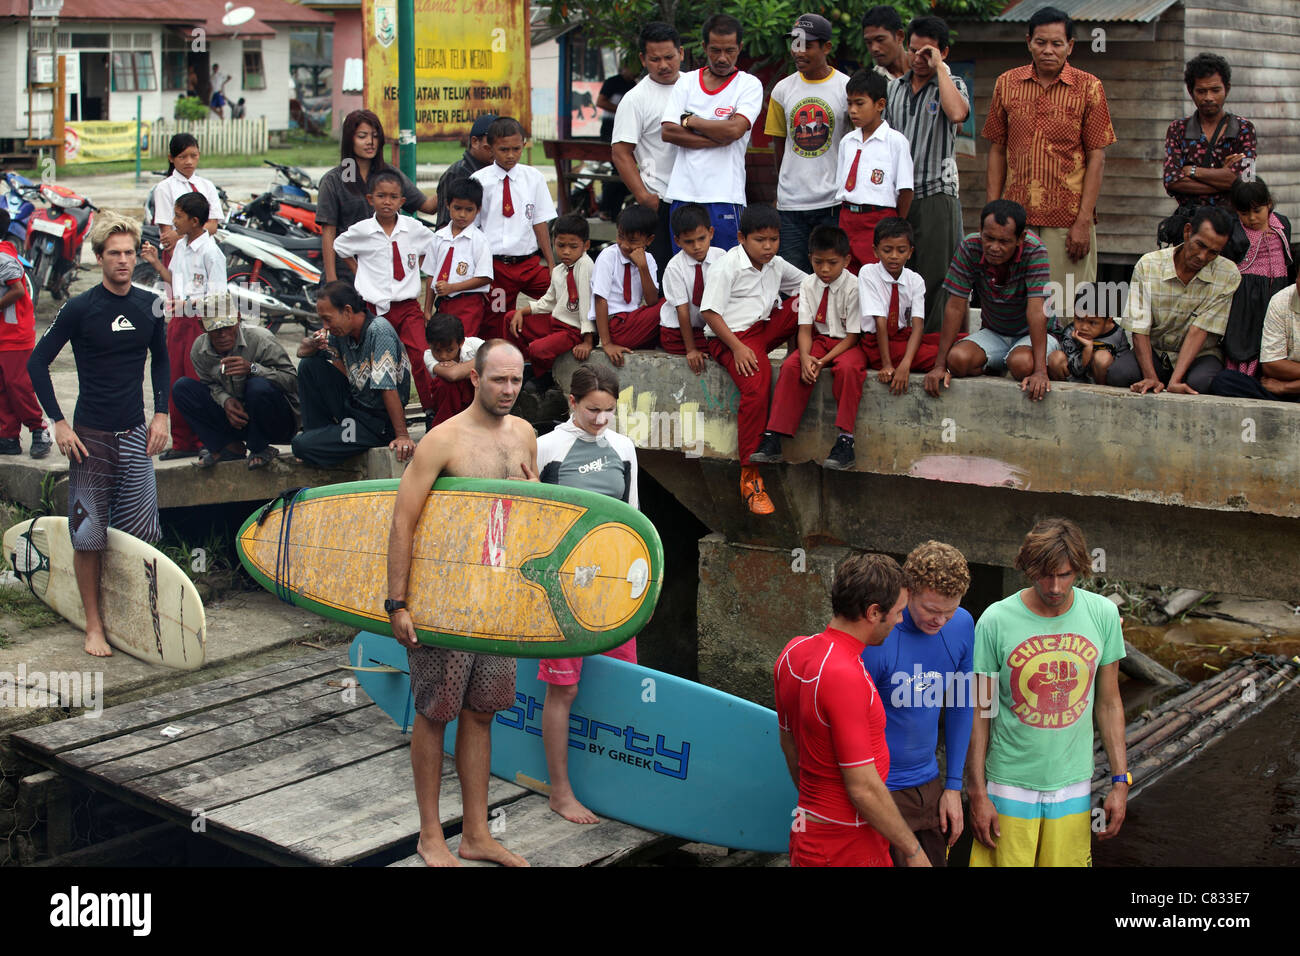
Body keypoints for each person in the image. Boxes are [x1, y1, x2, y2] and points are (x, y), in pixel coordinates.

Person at [386, 339, 536, 867]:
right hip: (444, 596)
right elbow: (403, 520)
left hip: (495, 597)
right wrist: (397, 603)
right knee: (434, 713)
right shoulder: (442, 441)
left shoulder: (525, 435)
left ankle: (476, 833)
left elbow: (525, 515)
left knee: (481, 713)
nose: (509, 390)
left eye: (516, 380)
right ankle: (431, 836)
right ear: (475, 377)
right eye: (499, 380)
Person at [26, 213, 168, 658]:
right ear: (99, 258)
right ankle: (93, 624)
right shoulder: (80, 308)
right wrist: (58, 423)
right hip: (90, 438)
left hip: (136, 436)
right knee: (88, 536)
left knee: (142, 536)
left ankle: (134, 615)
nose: (123, 261)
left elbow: (161, 361)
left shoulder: (150, 305)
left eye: (129, 253)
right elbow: (36, 362)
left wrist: (161, 414)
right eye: (114, 254)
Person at [968, 518, 1129, 867]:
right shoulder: (995, 620)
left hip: (1072, 784)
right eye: (1044, 574)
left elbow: (1109, 702)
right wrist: (977, 793)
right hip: (1008, 783)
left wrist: (1120, 782)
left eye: (1065, 575)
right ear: (1028, 569)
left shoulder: (1102, 614)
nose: (1055, 586)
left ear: (1081, 570)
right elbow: (979, 710)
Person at [774, 551, 931, 868]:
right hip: (846, 846)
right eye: (898, 612)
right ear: (874, 612)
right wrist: (913, 852)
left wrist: (817, 807)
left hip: (813, 836)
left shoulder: (794, 651)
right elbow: (863, 788)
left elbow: (789, 745)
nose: (901, 620)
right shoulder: (844, 675)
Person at [536, 364, 641, 823]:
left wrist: (641, 587)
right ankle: (561, 791)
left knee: (622, 685)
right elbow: (531, 521)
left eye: (609, 412)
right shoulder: (546, 448)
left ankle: (617, 781)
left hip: (615, 585)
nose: (601, 420)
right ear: (572, 402)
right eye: (592, 410)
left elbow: (635, 518)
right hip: (562, 587)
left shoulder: (624, 447)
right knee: (565, 688)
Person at [983, 6, 1115, 312]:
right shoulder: (1006, 84)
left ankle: (1062, 360)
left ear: (1070, 46)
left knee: (1067, 306)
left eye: (1057, 44)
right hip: (1015, 219)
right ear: (1029, 41)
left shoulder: (1089, 87)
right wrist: (992, 213)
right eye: (1041, 42)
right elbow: (997, 149)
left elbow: (1097, 158)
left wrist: (1083, 221)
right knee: (1014, 303)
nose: (1048, 50)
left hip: (1067, 220)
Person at [862, 541, 974, 867]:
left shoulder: (963, 625)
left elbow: (961, 706)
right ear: (907, 592)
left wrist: (954, 786)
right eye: (931, 610)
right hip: (879, 786)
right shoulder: (879, 633)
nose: (940, 621)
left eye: (948, 612)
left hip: (928, 783)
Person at [699, 204, 806, 515]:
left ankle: (803, 353)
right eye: (761, 240)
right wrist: (737, 348)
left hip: (763, 330)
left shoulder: (775, 263)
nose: (768, 247)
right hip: (730, 338)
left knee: (806, 300)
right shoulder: (726, 267)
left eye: (774, 239)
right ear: (742, 237)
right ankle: (749, 474)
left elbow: (808, 284)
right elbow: (710, 312)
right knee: (757, 391)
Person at [750, 225, 864, 470]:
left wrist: (821, 362)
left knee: (847, 370)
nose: (824, 269)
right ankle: (774, 436)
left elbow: (853, 337)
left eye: (832, 263)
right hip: (821, 340)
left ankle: (846, 440)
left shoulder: (854, 286)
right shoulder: (808, 285)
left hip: (847, 344)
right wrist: (804, 357)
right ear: (810, 258)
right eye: (818, 262)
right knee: (791, 365)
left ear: (846, 260)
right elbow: (804, 330)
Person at [924, 199, 1058, 401]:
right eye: (989, 238)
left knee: (1022, 364)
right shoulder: (970, 246)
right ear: (980, 230)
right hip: (994, 331)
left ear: (1020, 238)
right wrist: (940, 366)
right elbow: (955, 305)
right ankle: (996, 365)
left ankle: (1021, 362)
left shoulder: (1034, 250)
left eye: (1004, 242)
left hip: (1031, 334)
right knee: (957, 360)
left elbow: (1036, 310)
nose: (994, 247)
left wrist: (1040, 371)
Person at [332, 170, 439, 421]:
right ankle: (380, 414)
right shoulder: (362, 230)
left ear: (402, 201)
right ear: (370, 199)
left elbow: (434, 247)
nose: (387, 202)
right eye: (381, 196)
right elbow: (340, 246)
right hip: (374, 308)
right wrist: (359, 272)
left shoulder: (413, 228)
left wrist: (418, 266)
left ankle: (431, 411)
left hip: (407, 306)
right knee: (379, 363)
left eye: (393, 197)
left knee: (422, 357)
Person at [886, 16, 970, 332]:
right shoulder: (893, 89)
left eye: (927, 52)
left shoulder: (953, 84)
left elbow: (958, 113)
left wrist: (940, 70)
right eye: (913, 51)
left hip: (936, 193)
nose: (918, 59)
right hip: (899, 195)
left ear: (943, 52)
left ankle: (936, 347)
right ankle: (902, 341)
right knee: (900, 272)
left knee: (938, 275)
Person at [660, 14, 764, 252]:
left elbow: (735, 129)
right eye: (715, 50)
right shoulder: (686, 83)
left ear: (740, 48)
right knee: (685, 272)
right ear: (705, 47)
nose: (722, 58)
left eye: (730, 50)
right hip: (683, 193)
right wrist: (717, 137)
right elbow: (668, 132)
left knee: (726, 273)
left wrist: (690, 120)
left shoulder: (748, 85)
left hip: (725, 196)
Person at [1109, 205, 1239, 395]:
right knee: (1119, 374)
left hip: (1200, 354)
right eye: (1200, 245)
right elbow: (1139, 329)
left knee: (1202, 382)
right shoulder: (1149, 264)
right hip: (1155, 349)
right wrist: (1150, 378)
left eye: (1213, 252)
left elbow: (1199, 330)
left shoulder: (1228, 274)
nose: (1203, 257)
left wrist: (1175, 381)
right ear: (1187, 232)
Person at [141, 192, 228, 462]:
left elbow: (218, 298)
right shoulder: (180, 247)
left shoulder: (212, 253)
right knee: (174, 378)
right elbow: (173, 280)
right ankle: (182, 441)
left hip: (200, 324)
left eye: (178, 216)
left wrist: (188, 303)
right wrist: (155, 262)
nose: (173, 221)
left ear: (194, 220)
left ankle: (205, 439)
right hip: (178, 320)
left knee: (197, 381)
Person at [292, 280, 416, 468]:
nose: (325, 325)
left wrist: (402, 436)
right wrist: (309, 347)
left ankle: (315, 443)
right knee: (309, 365)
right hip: (354, 410)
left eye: (328, 318)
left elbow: (387, 388)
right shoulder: (339, 332)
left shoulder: (379, 331)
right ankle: (316, 435)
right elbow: (309, 356)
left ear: (348, 311)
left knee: (300, 445)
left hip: (377, 425)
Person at [764, 13, 850, 274]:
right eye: (795, 44)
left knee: (830, 277)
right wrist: (783, 188)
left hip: (832, 202)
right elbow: (780, 145)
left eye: (807, 45)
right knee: (793, 280)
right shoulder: (781, 90)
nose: (798, 51)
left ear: (826, 47)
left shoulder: (846, 88)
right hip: (791, 206)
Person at [317, 110, 438, 285]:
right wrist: (331, 280)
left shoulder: (390, 175)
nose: (370, 142)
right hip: (346, 275)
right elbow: (328, 233)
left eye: (374, 136)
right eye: (362, 136)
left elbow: (427, 206)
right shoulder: (333, 180)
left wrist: (450, 184)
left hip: (383, 275)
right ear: (349, 140)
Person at [172, 311, 300, 469]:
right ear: (202, 326)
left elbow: (292, 381)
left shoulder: (260, 338)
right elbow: (209, 384)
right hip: (237, 420)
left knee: (257, 386)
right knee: (182, 387)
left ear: (238, 319)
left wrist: (253, 368)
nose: (222, 335)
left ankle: (260, 447)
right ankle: (228, 447)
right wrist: (225, 400)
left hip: (275, 420)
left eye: (227, 327)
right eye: (215, 329)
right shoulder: (199, 348)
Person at [472, 116, 557, 340]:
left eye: (516, 149)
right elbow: (472, 228)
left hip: (529, 264)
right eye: (504, 149)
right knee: (495, 320)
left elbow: (540, 222)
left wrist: (550, 263)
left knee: (562, 294)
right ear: (490, 149)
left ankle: (537, 345)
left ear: (524, 145)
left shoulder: (534, 178)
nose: (510, 155)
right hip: (496, 267)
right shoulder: (479, 181)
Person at [611, 23, 683, 283]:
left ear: (681, 53)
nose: (663, 65)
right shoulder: (635, 99)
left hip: (697, 195)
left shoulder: (695, 87)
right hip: (660, 198)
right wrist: (644, 196)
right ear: (643, 59)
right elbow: (621, 152)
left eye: (669, 57)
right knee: (663, 274)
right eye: (654, 59)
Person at [1216, 178, 1293, 380]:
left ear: (1268, 203)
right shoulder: (1235, 232)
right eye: (1244, 213)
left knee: (1275, 339)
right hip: (1246, 299)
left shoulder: (1282, 224)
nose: (1251, 218)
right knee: (1246, 338)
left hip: (1277, 290)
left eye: (1257, 210)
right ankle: (1244, 379)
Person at [835, 70, 913, 271]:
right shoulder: (847, 142)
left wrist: (895, 226)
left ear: (880, 105)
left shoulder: (896, 142)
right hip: (847, 217)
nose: (853, 110)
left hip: (878, 218)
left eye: (860, 103)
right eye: (850, 103)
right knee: (848, 279)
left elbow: (905, 190)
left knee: (876, 278)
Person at [505, 214, 595, 386]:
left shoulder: (585, 265)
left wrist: (588, 341)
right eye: (561, 246)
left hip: (574, 330)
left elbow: (587, 305)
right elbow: (548, 301)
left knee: (537, 349)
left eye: (573, 246)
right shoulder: (559, 270)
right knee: (511, 318)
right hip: (555, 323)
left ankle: (544, 376)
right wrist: (522, 311)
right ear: (554, 242)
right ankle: (522, 365)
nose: (566, 251)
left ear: (586, 246)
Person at [859, 217, 946, 392]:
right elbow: (880, 322)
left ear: (910, 252)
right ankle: (952, 366)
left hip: (901, 337)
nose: (894, 256)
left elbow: (918, 326)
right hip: (876, 343)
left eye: (901, 250)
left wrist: (905, 365)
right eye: (887, 250)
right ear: (876, 251)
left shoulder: (915, 280)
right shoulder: (868, 273)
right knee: (942, 355)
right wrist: (887, 365)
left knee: (953, 340)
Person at [1163, 54, 1256, 214]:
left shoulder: (1243, 128)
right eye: (1201, 91)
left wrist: (1193, 171)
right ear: (1191, 92)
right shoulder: (1178, 129)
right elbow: (1172, 181)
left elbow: (1246, 180)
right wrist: (1225, 178)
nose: (1208, 97)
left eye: (1215, 90)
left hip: (1231, 224)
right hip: (1191, 223)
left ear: (1227, 89)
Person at [0, 210, 50, 458]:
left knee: (18, 385)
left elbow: (18, 290)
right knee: (3, 386)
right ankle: (8, 436)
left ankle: (39, 429)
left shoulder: (3, 258)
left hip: (13, 336)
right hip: (4, 335)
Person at [1210, 272, 1300, 402]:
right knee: (1225, 381)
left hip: (1284, 385)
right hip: (1280, 383)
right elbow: (1271, 365)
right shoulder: (1282, 300)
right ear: (1296, 276)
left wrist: (1285, 387)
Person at [590, 203, 661, 367]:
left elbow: (651, 301)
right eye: (620, 236)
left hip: (633, 321)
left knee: (668, 304)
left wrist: (642, 267)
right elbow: (600, 299)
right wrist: (606, 343)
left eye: (633, 241)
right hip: (615, 325)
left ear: (649, 240)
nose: (624, 245)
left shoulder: (648, 260)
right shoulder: (608, 257)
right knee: (669, 304)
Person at [425, 177, 493, 339]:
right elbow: (430, 274)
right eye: (457, 208)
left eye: (469, 210)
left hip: (468, 303)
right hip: (443, 304)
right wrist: (427, 309)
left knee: (464, 345)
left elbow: (485, 277)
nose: (462, 215)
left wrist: (453, 287)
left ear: (478, 209)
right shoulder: (439, 237)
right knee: (443, 344)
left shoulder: (479, 240)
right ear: (448, 205)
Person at [657, 202, 722, 372]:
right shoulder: (675, 267)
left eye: (702, 238)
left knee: (728, 343)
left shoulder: (722, 257)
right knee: (721, 348)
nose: (697, 246)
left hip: (709, 328)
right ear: (677, 241)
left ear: (711, 233)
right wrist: (691, 350)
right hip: (679, 332)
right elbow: (683, 310)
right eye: (689, 241)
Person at [435, 113, 496, 229]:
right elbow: (445, 225)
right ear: (475, 142)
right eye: (491, 144)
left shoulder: (499, 173)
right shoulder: (457, 174)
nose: (496, 149)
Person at [1048, 299, 1130, 385]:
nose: (1084, 327)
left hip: (1101, 383)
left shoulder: (1118, 334)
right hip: (1073, 380)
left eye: (1092, 322)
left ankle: (1100, 395)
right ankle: (1063, 396)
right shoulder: (1070, 332)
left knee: (1103, 357)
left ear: (1108, 320)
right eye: (1079, 319)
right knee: (1055, 357)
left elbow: (1121, 369)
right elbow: (1076, 370)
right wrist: (1087, 349)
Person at [422, 313, 483, 427]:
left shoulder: (474, 345)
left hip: (476, 399)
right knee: (444, 384)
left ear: (461, 343)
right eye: (438, 351)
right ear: (429, 345)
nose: (444, 356)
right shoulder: (428, 355)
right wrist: (478, 365)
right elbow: (452, 375)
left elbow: (493, 359)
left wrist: (457, 367)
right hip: (450, 406)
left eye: (449, 350)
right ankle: (445, 427)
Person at [597, 63, 638, 220]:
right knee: (617, 169)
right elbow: (600, 102)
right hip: (610, 131)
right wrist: (622, 109)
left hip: (627, 131)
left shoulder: (633, 86)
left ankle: (614, 210)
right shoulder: (612, 82)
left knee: (624, 173)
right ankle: (606, 209)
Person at [861, 5, 911, 81]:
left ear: (900, 36)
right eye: (868, 42)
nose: (874, 48)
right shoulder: (871, 84)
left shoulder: (926, 70)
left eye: (880, 40)